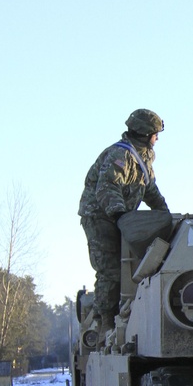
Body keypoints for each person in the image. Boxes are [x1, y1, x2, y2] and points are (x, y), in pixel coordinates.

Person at [78, 110, 170, 329]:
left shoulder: (143, 158)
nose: (157, 138)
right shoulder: (120, 155)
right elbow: (106, 186)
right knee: (110, 271)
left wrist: (165, 214)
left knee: (127, 270)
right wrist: (120, 215)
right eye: (156, 134)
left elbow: (149, 189)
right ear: (146, 133)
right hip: (99, 216)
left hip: (118, 219)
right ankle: (104, 325)